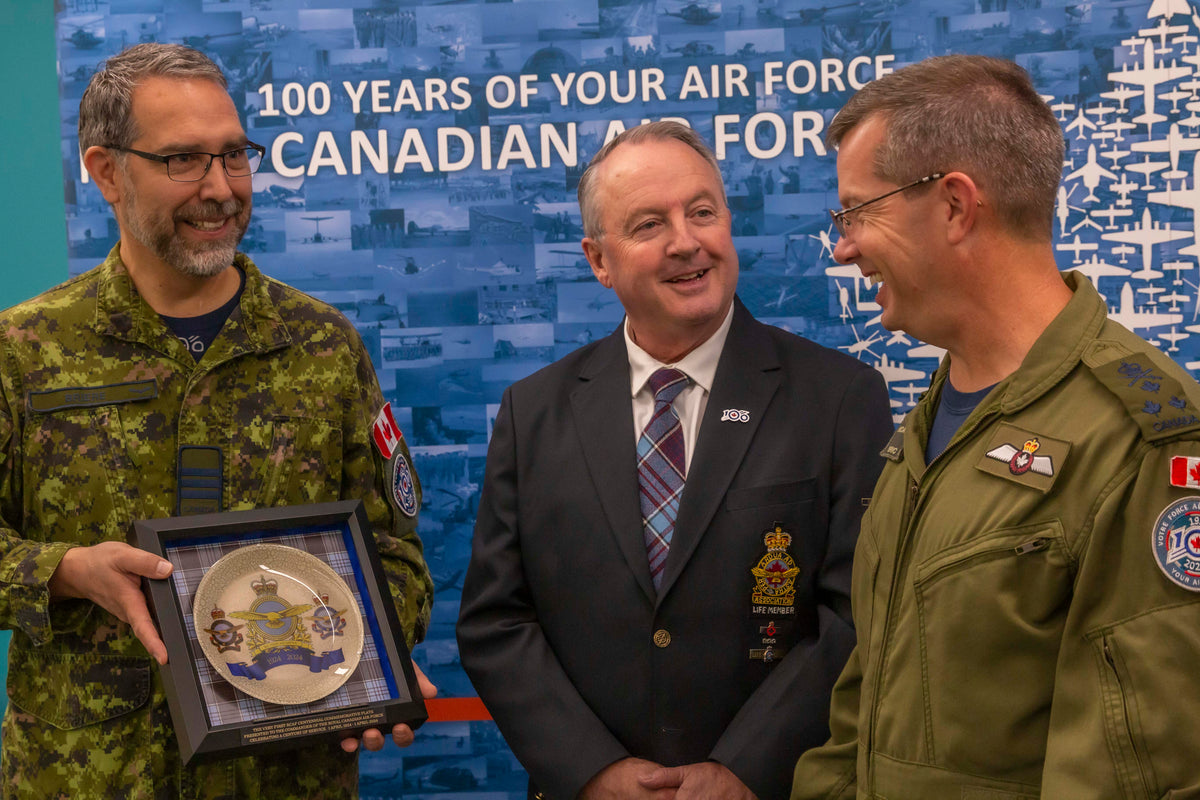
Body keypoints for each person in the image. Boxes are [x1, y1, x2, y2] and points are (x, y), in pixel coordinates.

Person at [0, 44, 434, 798]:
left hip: (287, 775)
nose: (221, 189)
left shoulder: (322, 345)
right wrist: (65, 572)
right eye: (183, 161)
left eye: (234, 156)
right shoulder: (25, 351)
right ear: (106, 171)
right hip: (90, 779)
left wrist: (370, 661)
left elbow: (395, 556)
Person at [792, 55, 1200, 799]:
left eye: (857, 212)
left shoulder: (1141, 437)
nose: (844, 246)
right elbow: (860, 713)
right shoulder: (925, 427)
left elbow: (1139, 770)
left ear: (952, 205)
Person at [458, 121, 892, 800]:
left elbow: (858, 615)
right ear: (599, 261)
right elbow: (496, 621)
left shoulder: (839, 397)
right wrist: (591, 770)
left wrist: (746, 768)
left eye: (701, 212)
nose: (686, 241)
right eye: (649, 224)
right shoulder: (533, 412)